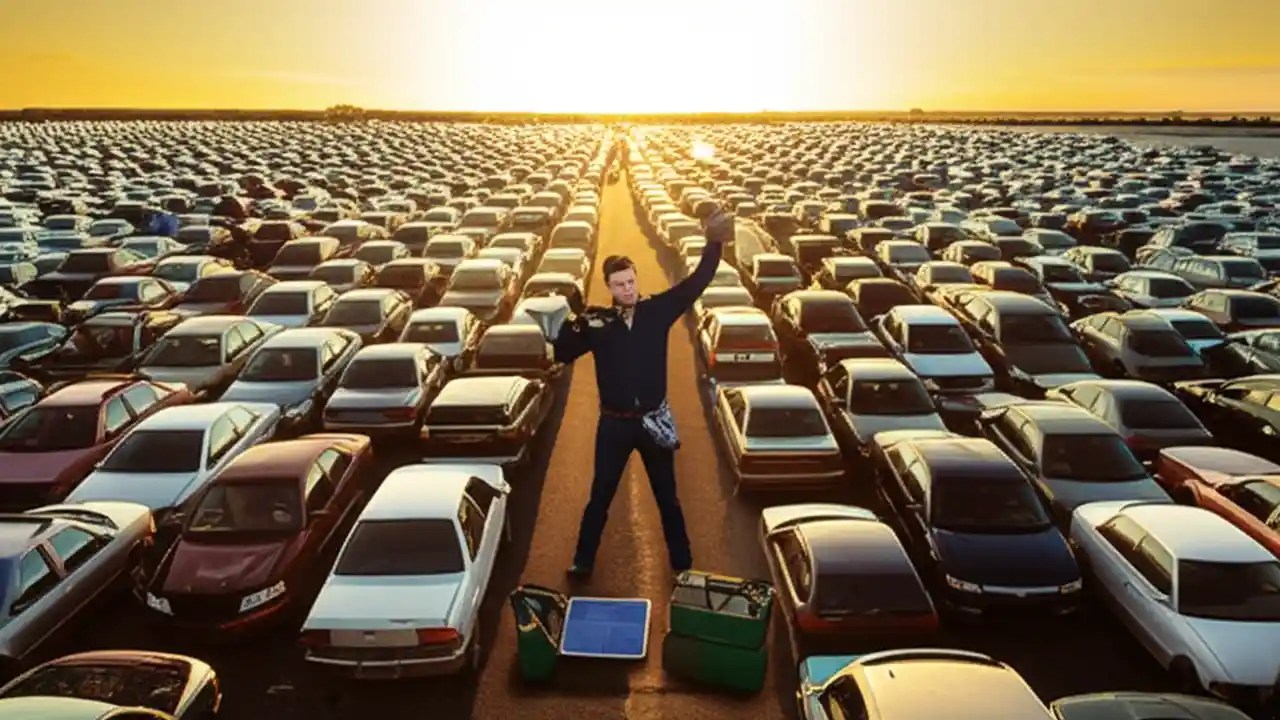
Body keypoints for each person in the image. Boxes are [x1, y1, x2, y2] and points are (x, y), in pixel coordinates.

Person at [553, 207, 734, 577]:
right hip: (614, 425)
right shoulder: (598, 322)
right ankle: (582, 561)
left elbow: (696, 283)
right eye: (619, 284)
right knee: (600, 495)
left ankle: (682, 564)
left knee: (668, 498)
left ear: (637, 279)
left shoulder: (657, 311)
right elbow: (562, 353)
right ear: (609, 287)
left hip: (653, 421)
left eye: (631, 281)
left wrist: (714, 243)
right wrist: (571, 321)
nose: (628, 289)